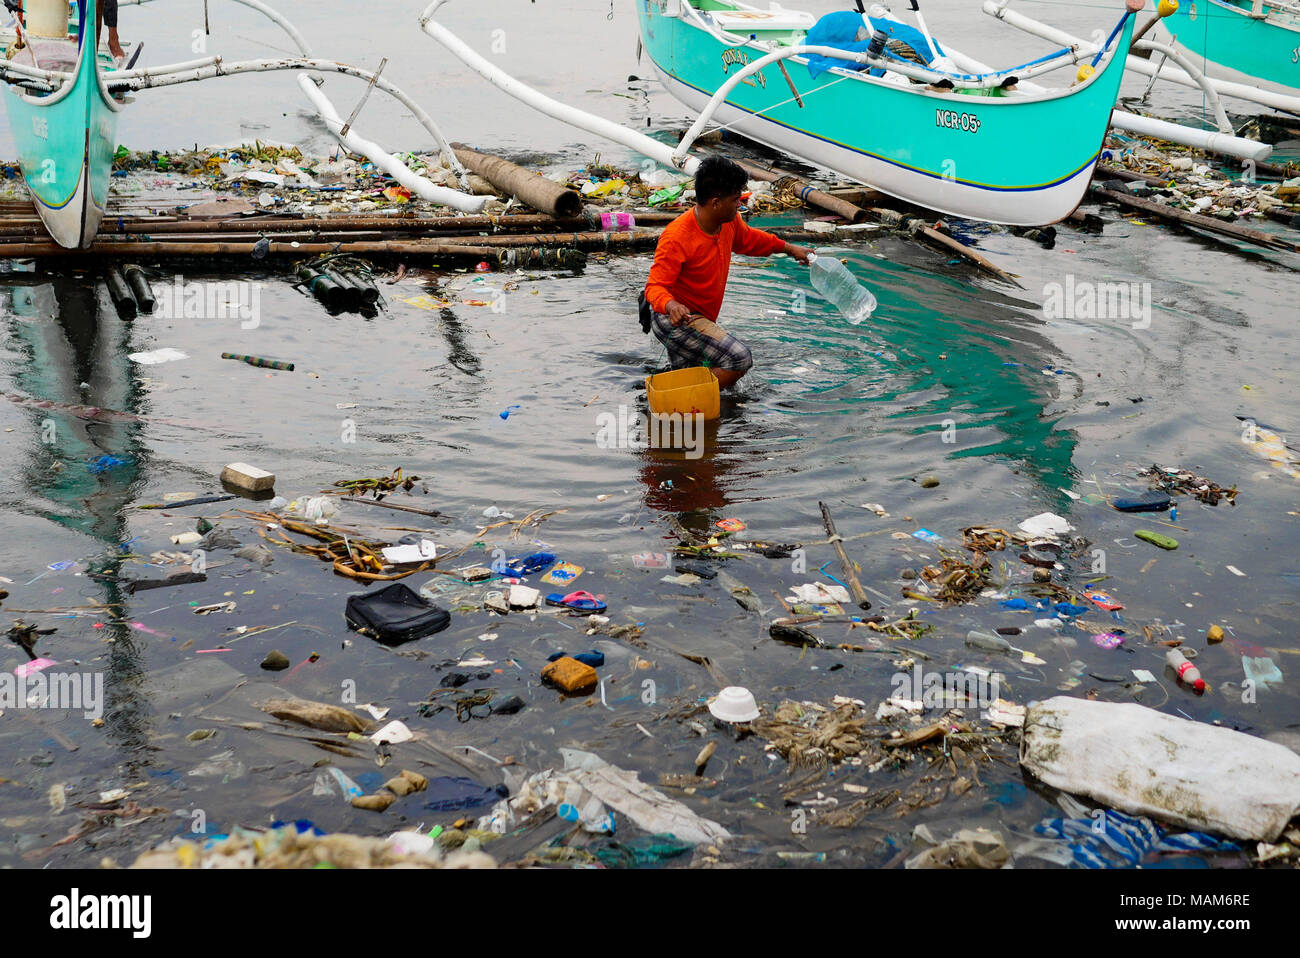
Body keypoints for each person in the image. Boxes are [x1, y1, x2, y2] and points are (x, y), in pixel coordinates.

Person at [640, 155, 811, 390]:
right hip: (674, 318)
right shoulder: (677, 237)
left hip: (698, 317)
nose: (740, 205)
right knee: (739, 358)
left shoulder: (729, 222)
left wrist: (790, 249)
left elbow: (750, 240)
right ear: (716, 203)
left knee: (690, 375)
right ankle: (693, 399)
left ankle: (682, 407)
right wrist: (672, 306)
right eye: (736, 200)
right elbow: (654, 287)